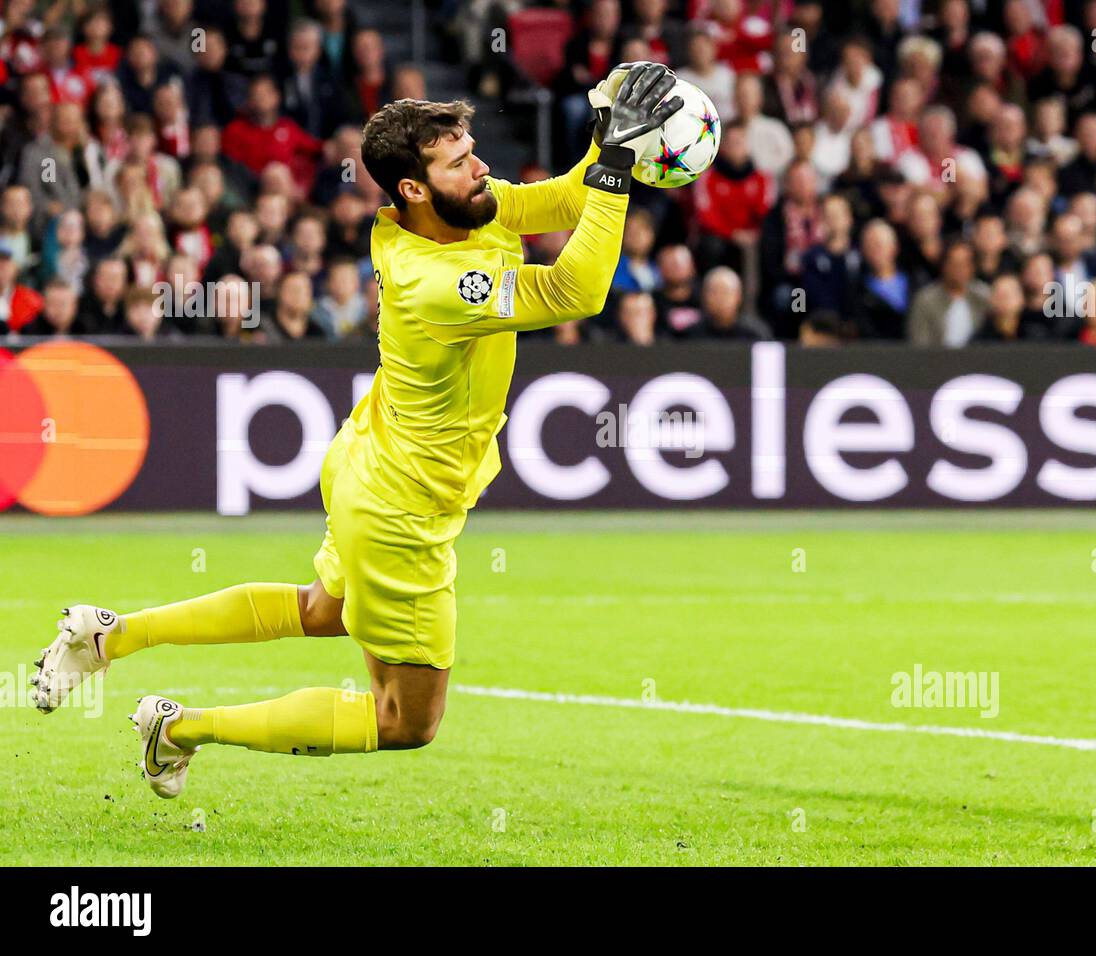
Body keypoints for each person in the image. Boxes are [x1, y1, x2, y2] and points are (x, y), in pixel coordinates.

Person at [31, 65, 684, 798]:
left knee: (320, 609)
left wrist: (606, 143)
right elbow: (578, 288)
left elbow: (565, 198)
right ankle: (178, 727)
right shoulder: (436, 284)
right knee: (406, 719)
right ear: (412, 186)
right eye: (460, 160)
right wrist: (621, 170)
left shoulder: (454, 207)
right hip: (402, 508)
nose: (482, 168)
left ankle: (109, 637)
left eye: (472, 149)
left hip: (369, 455)